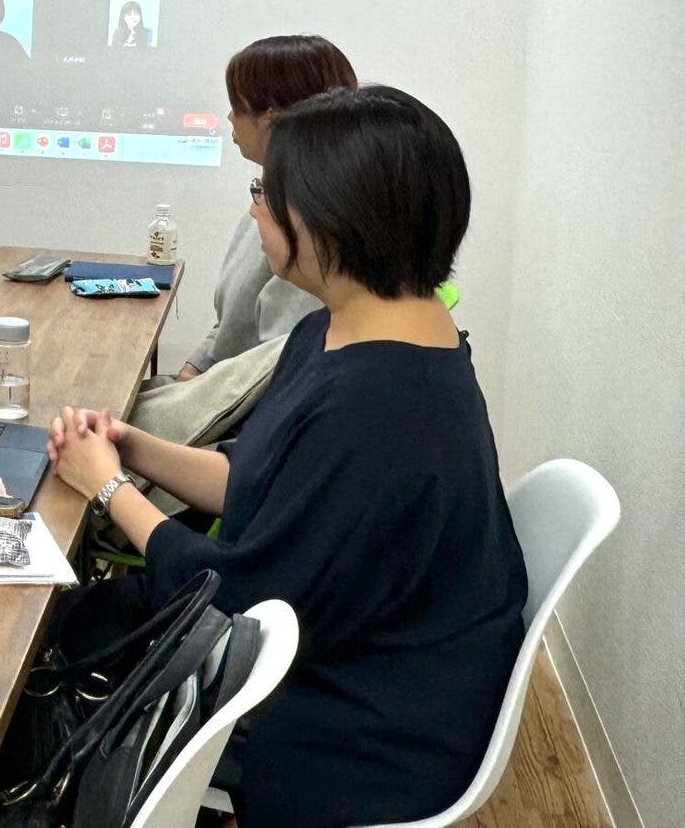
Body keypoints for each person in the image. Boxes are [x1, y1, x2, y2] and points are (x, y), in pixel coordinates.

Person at [47, 86, 528, 828]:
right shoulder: (348, 332)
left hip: (354, 731)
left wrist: (111, 490)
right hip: (352, 653)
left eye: (267, 195)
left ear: (331, 221)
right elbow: (256, 479)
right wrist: (134, 448)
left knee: (42, 652)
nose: (253, 211)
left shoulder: (383, 408)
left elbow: (239, 596)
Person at [176, 36, 357, 381]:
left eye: (237, 105)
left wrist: (188, 397)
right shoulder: (274, 199)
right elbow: (231, 326)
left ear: (271, 119)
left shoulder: (308, 226)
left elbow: (274, 369)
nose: (229, 117)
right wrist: (190, 372)